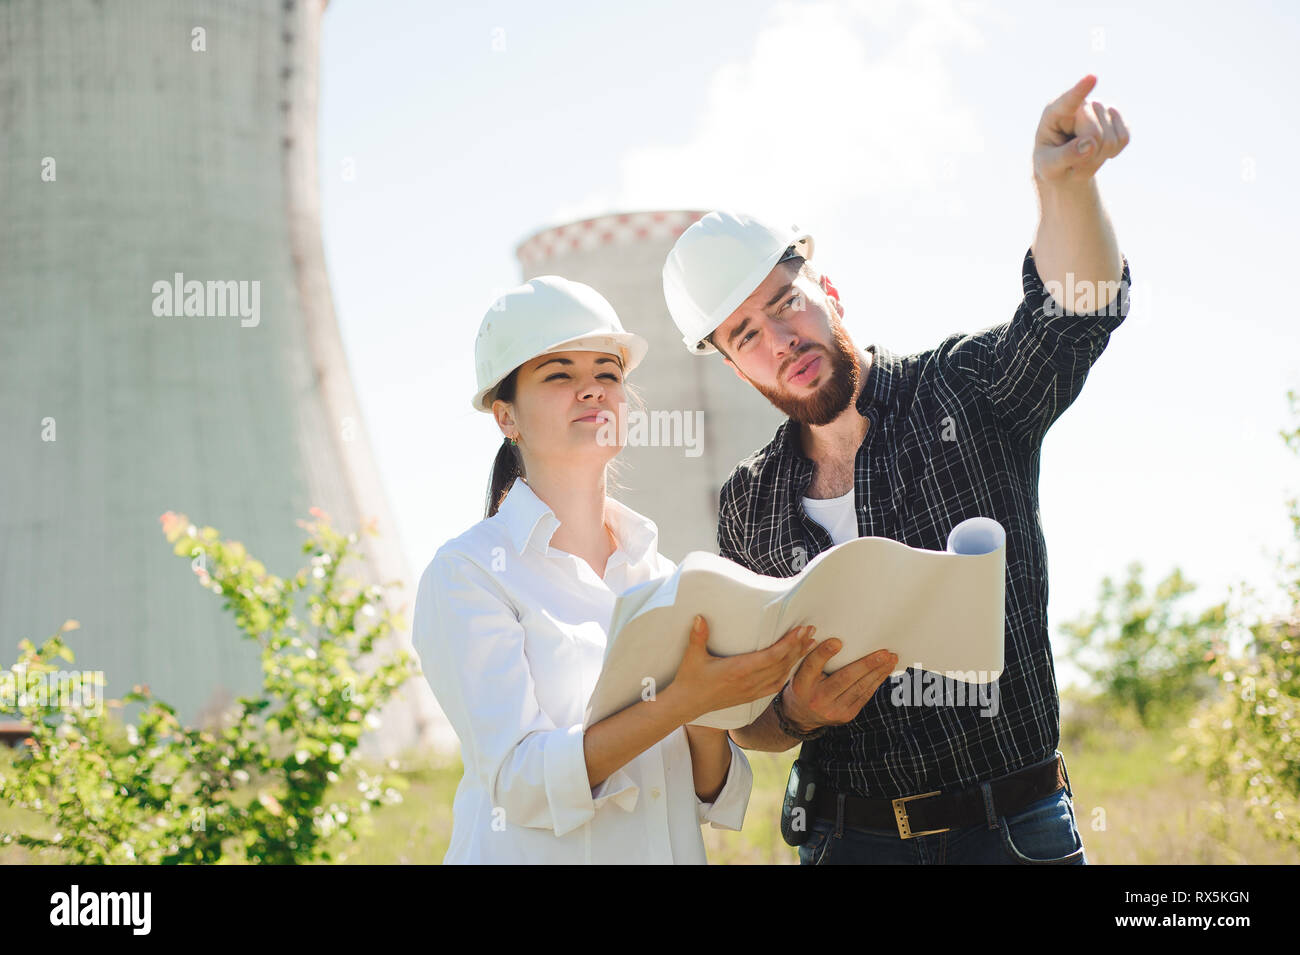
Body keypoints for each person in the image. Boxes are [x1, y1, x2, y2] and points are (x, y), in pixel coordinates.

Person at [660, 75, 1132, 864]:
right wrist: (798, 713)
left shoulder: (964, 390)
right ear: (734, 367)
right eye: (746, 335)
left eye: (785, 303)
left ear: (829, 290)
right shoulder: (748, 501)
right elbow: (746, 710)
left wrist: (1064, 189)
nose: (778, 340)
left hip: (1014, 829)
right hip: (849, 838)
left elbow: (1071, 318)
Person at [411, 275, 816, 864]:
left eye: (607, 373)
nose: (592, 390)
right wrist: (680, 701)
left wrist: (705, 703)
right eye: (559, 375)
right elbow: (521, 783)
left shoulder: (664, 575)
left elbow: (710, 793)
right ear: (506, 417)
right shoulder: (469, 574)